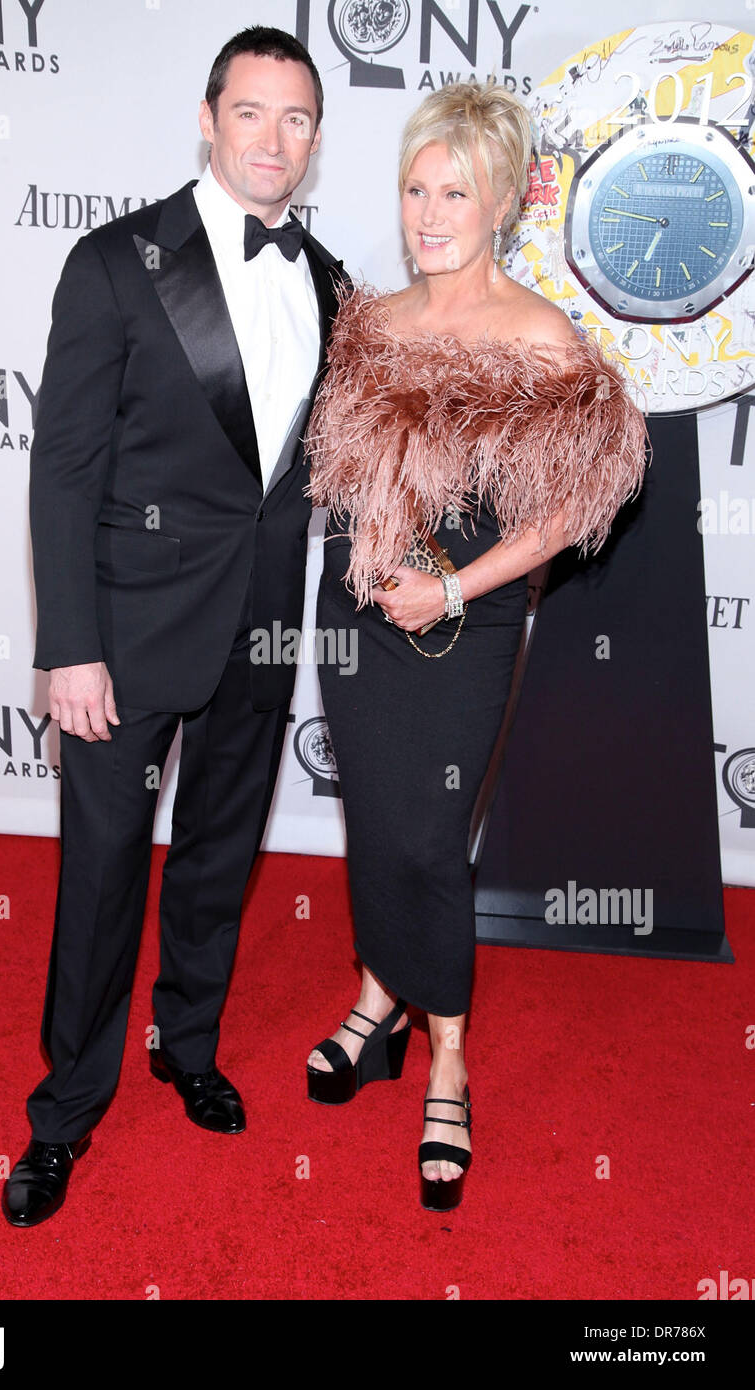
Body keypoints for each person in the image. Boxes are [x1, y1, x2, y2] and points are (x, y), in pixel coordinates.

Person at [3, 25, 345, 1227]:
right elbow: (61, 470)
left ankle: (185, 1044)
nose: (272, 139)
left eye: (295, 118)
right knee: (100, 877)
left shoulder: (327, 280)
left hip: (260, 622)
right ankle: (63, 1112)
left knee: (217, 853)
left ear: (314, 138)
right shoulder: (114, 262)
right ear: (207, 120)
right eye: (250, 112)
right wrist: (68, 646)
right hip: (126, 632)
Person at [304, 81, 647, 1212]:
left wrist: (450, 585)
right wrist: (379, 558)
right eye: (417, 189)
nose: (430, 213)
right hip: (359, 607)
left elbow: (573, 507)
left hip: (462, 620)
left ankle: (445, 1048)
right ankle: (377, 998)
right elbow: (346, 469)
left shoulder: (539, 338)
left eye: (456, 192)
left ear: (503, 200)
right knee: (372, 815)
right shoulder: (371, 321)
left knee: (427, 835)